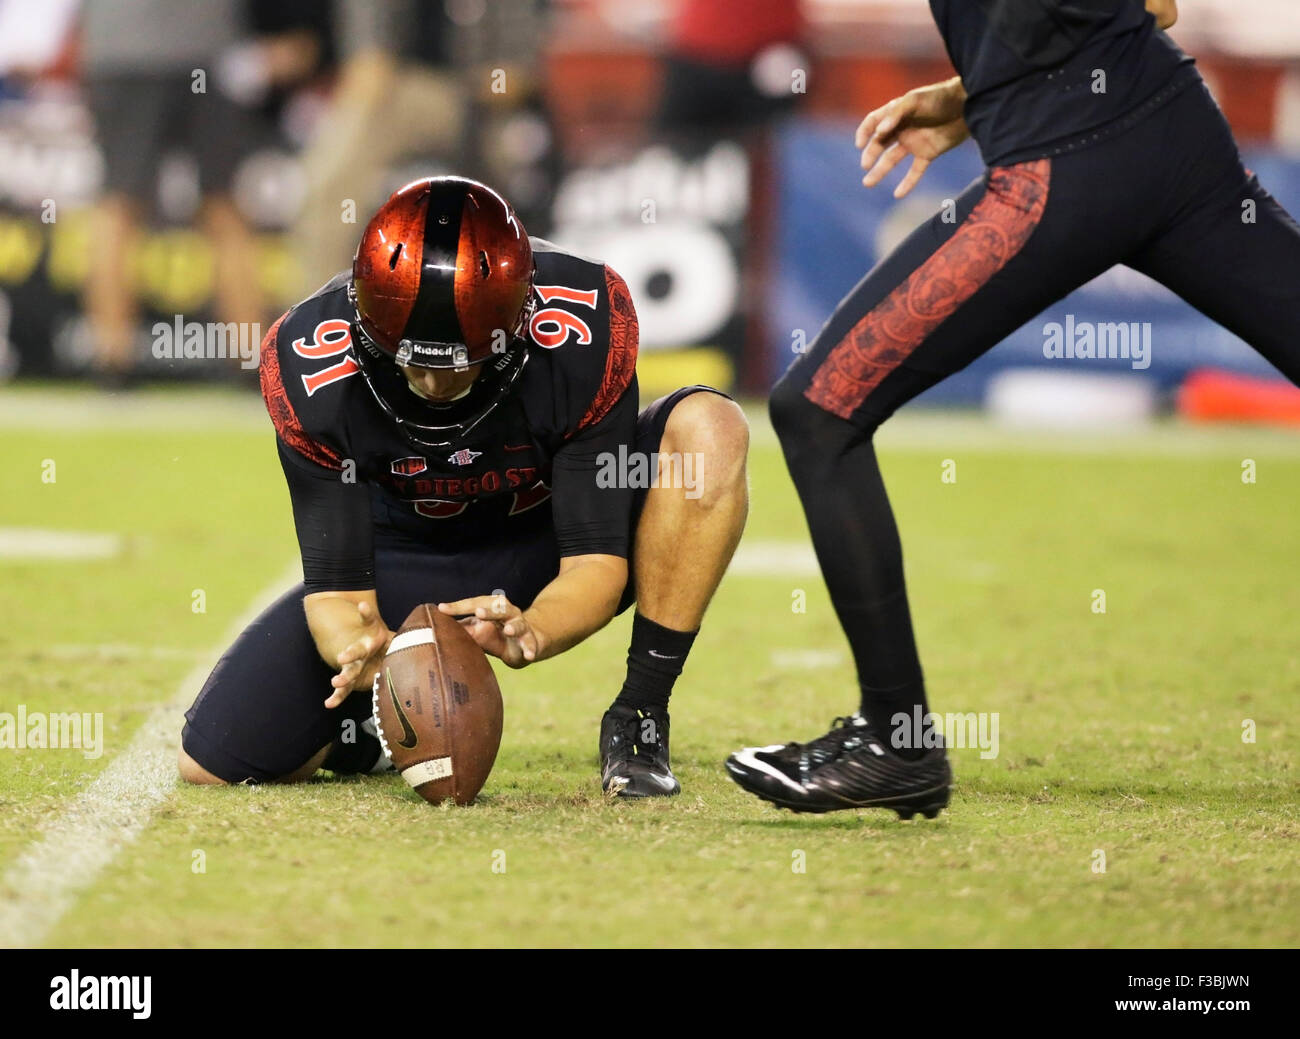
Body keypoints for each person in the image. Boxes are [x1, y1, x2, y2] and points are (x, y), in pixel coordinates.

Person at [725, 0, 1300, 816]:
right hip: (1169, 131)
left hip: (1065, 159)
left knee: (820, 408)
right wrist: (970, 92)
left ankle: (898, 738)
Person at [179, 176, 749, 797]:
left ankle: (639, 716)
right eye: (414, 361)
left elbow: (595, 561)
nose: (432, 384)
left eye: (456, 361)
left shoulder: (582, 325)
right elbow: (337, 593)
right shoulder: (312, 364)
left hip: (549, 533)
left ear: (517, 322)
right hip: (412, 555)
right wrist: (367, 653)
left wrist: (536, 630)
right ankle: (370, 732)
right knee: (213, 763)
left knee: (709, 431)